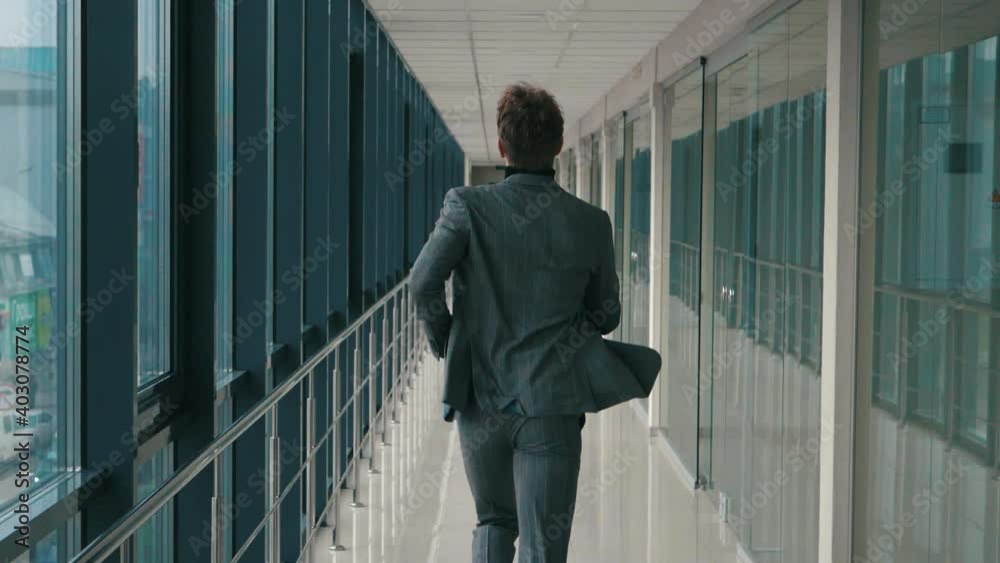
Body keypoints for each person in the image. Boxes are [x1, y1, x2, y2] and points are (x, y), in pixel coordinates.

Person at [409, 83, 658, 563]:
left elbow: (422, 283)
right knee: (544, 545)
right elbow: (607, 315)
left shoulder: (467, 207)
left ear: (502, 147)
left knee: (494, 522)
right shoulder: (590, 222)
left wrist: (448, 339)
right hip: (552, 404)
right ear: (559, 145)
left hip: (480, 399)